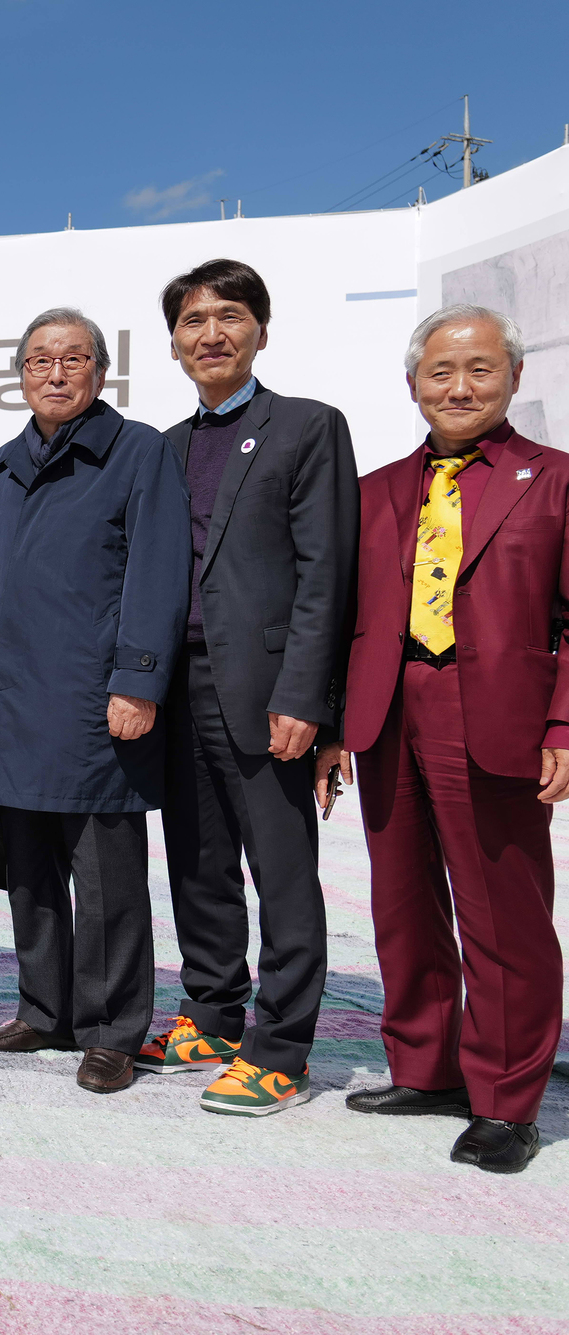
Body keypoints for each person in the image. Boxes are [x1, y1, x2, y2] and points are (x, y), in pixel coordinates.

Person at [322, 304, 564, 1174]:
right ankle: (426, 1068)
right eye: (440, 371)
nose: (459, 387)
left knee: (503, 913)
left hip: (495, 713)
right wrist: (333, 728)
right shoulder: (376, 489)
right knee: (402, 902)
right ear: (413, 383)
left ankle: (505, 1099)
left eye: (480, 369)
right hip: (388, 711)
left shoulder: (555, 479)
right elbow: (344, 618)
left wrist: (563, 724)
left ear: (514, 377)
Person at [141, 259, 360, 1115]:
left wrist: (307, 696)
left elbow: (326, 573)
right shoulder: (162, 447)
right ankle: (211, 1012)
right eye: (193, 322)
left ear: (261, 331)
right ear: (173, 344)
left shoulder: (307, 426)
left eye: (229, 316)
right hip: (177, 687)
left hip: (268, 690)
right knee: (197, 864)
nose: (212, 335)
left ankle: (282, 1051)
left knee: (283, 872)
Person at [0, 308, 190, 1094]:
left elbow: (158, 571)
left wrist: (138, 679)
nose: (55, 373)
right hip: (11, 697)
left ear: (100, 369)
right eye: (39, 360)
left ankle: (112, 1030)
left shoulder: (137, 451)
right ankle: (44, 1009)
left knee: (106, 882)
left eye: (72, 359)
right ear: (21, 375)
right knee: (28, 872)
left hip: (96, 699)